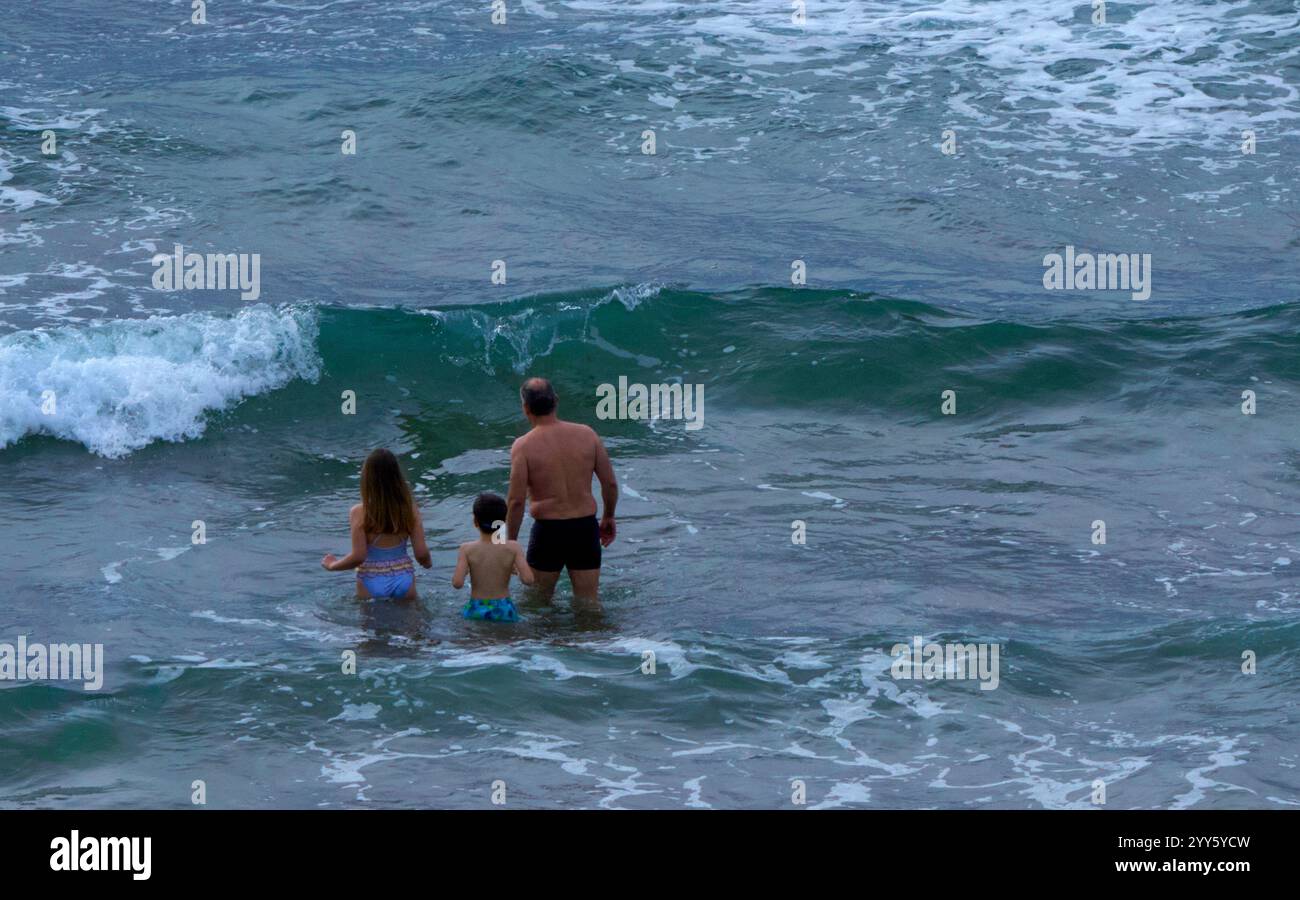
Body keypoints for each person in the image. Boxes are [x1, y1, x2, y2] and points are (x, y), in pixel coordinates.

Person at [506, 377, 617, 609]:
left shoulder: (523, 446)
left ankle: (545, 645)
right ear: (556, 401)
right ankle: (594, 644)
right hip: (585, 529)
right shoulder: (587, 434)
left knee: (537, 606)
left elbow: (516, 502)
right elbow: (610, 484)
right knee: (588, 605)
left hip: (549, 532)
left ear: (525, 408)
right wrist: (608, 516)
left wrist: (511, 543)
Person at [321, 448, 432, 598]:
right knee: (411, 620)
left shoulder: (359, 512)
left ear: (367, 479)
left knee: (371, 620)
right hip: (403, 577)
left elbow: (358, 556)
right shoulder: (410, 510)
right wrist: (427, 563)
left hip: (370, 579)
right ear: (397, 477)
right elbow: (421, 552)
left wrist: (332, 565)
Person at [452, 492, 535, 622]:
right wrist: (515, 569)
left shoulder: (466, 549)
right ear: (503, 522)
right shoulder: (513, 547)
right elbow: (528, 580)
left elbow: (457, 583)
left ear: (475, 521)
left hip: (476, 608)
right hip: (504, 609)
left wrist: (467, 568)